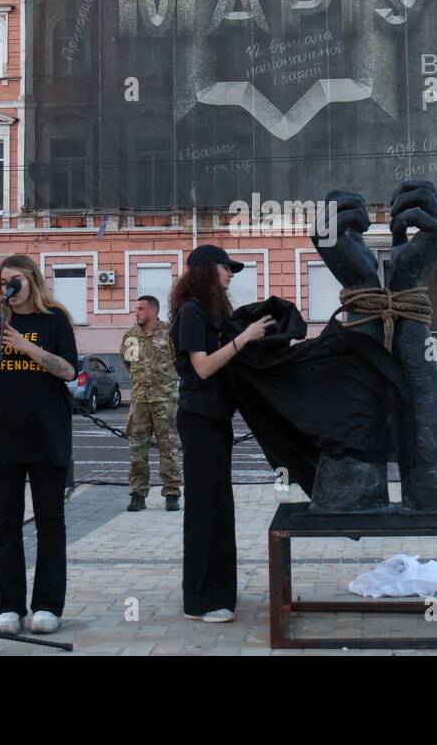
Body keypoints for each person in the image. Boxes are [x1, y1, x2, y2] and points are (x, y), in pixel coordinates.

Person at [0, 254, 78, 636]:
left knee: (51, 524)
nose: (7, 288)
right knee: (5, 525)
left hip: (46, 435)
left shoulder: (54, 319)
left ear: (31, 280)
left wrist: (24, 346)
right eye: (2, 282)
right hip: (1, 438)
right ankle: (9, 605)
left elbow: (69, 371)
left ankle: (48, 605)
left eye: (14, 280)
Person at [169, 244, 274, 624]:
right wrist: (244, 337)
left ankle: (214, 594)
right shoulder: (192, 312)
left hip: (214, 418)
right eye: (225, 268)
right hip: (199, 419)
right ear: (205, 270)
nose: (230, 274)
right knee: (205, 508)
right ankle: (201, 600)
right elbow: (203, 368)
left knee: (216, 507)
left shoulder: (208, 311)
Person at [120, 295, 181, 512]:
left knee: (170, 450)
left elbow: (178, 360)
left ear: (153, 311)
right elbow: (128, 364)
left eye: (140, 309)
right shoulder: (131, 337)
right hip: (139, 403)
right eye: (136, 309)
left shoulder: (170, 333)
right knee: (137, 451)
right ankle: (138, 494)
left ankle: (172, 493)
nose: (136, 312)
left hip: (165, 401)